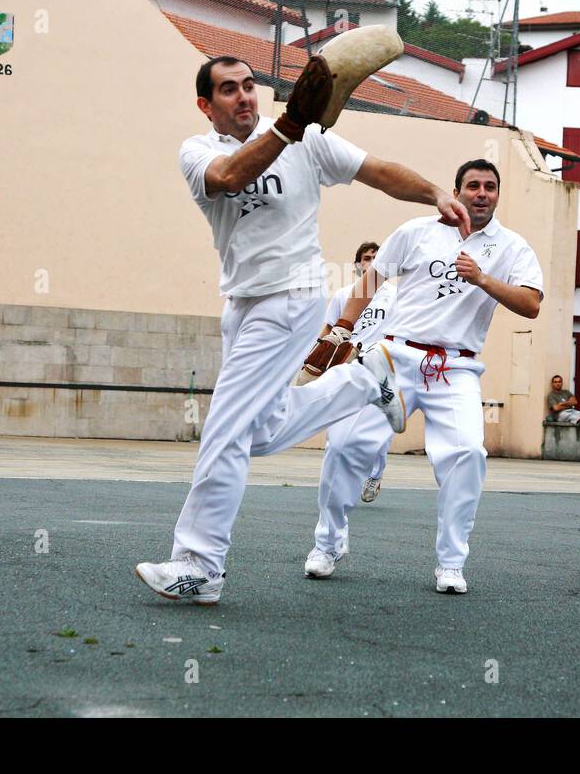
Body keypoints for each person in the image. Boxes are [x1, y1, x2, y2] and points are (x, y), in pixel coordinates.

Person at [135, 55, 472, 605]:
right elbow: (229, 178)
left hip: (292, 298)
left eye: (249, 86)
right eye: (228, 90)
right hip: (242, 304)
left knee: (224, 428)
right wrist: (289, 124)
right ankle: (367, 381)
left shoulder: (308, 139)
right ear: (206, 105)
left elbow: (376, 170)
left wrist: (435, 192)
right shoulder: (198, 152)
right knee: (259, 431)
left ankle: (199, 565)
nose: (243, 96)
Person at [303, 159, 543, 594]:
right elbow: (370, 281)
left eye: (490, 187)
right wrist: (342, 328)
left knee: (467, 453)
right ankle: (328, 544)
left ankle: (451, 564)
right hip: (396, 357)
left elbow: (530, 303)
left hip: (457, 367)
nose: (482, 193)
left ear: (497, 195)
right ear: (457, 191)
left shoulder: (511, 246)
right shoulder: (418, 231)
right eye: (473, 186)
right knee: (345, 444)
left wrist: (484, 279)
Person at [318, 240, 397, 504]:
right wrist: (318, 355)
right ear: (357, 264)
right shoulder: (343, 295)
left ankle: (375, 474)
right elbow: (329, 329)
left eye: (376, 257)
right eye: (366, 258)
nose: (371, 262)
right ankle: (338, 478)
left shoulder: (395, 296)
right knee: (339, 425)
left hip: (382, 367)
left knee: (377, 428)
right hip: (347, 365)